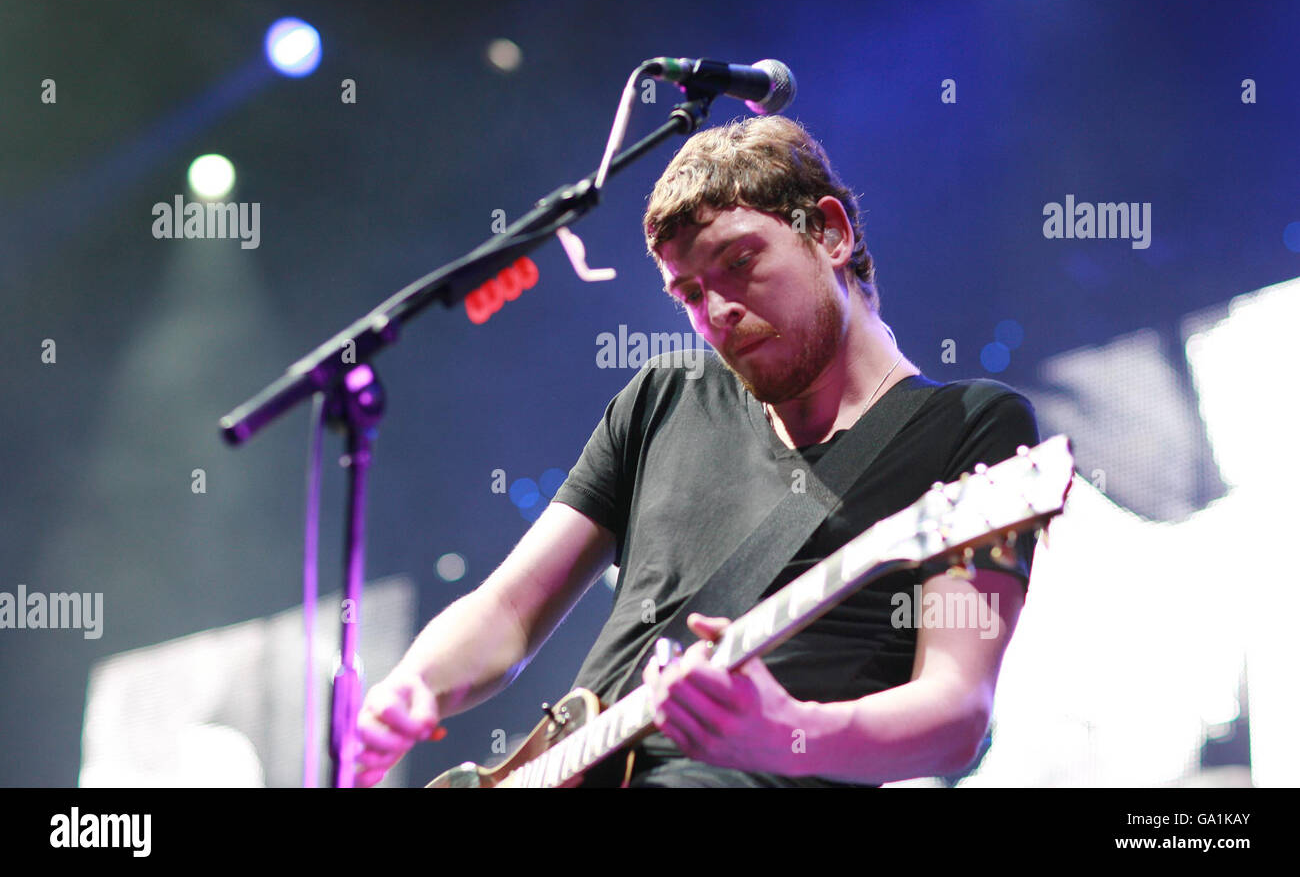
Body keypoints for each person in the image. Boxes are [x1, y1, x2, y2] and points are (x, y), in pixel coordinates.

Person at [354, 115, 1038, 788]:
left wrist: (786, 733)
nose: (716, 312)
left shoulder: (973, 430)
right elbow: (508, 609)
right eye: (688, 293)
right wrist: (417, 686)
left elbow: (957, 712)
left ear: (829, 232)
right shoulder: (666, 397)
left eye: (739, 263)